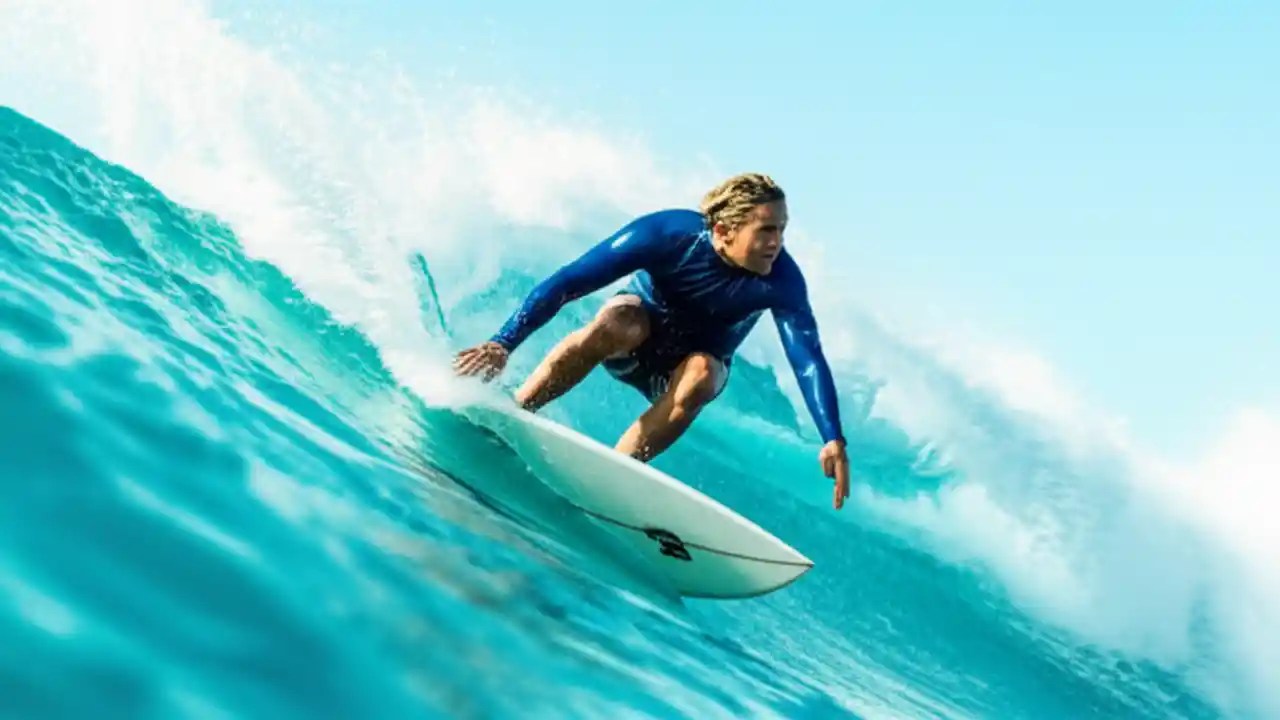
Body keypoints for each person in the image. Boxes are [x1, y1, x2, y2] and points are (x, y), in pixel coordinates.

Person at [453, 173, 851, 509]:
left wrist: (832, 436)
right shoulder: (668, 234)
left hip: (682, 371)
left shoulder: (781, 280)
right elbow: (569, 281)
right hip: (631, 340)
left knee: (703, 374)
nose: (776, 242)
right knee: (619, 321)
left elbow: (807, 357)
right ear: (724, 230)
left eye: (782, 229)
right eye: (766, 229)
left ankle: (615, 474)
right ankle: (516, 411)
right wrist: (503, 342)